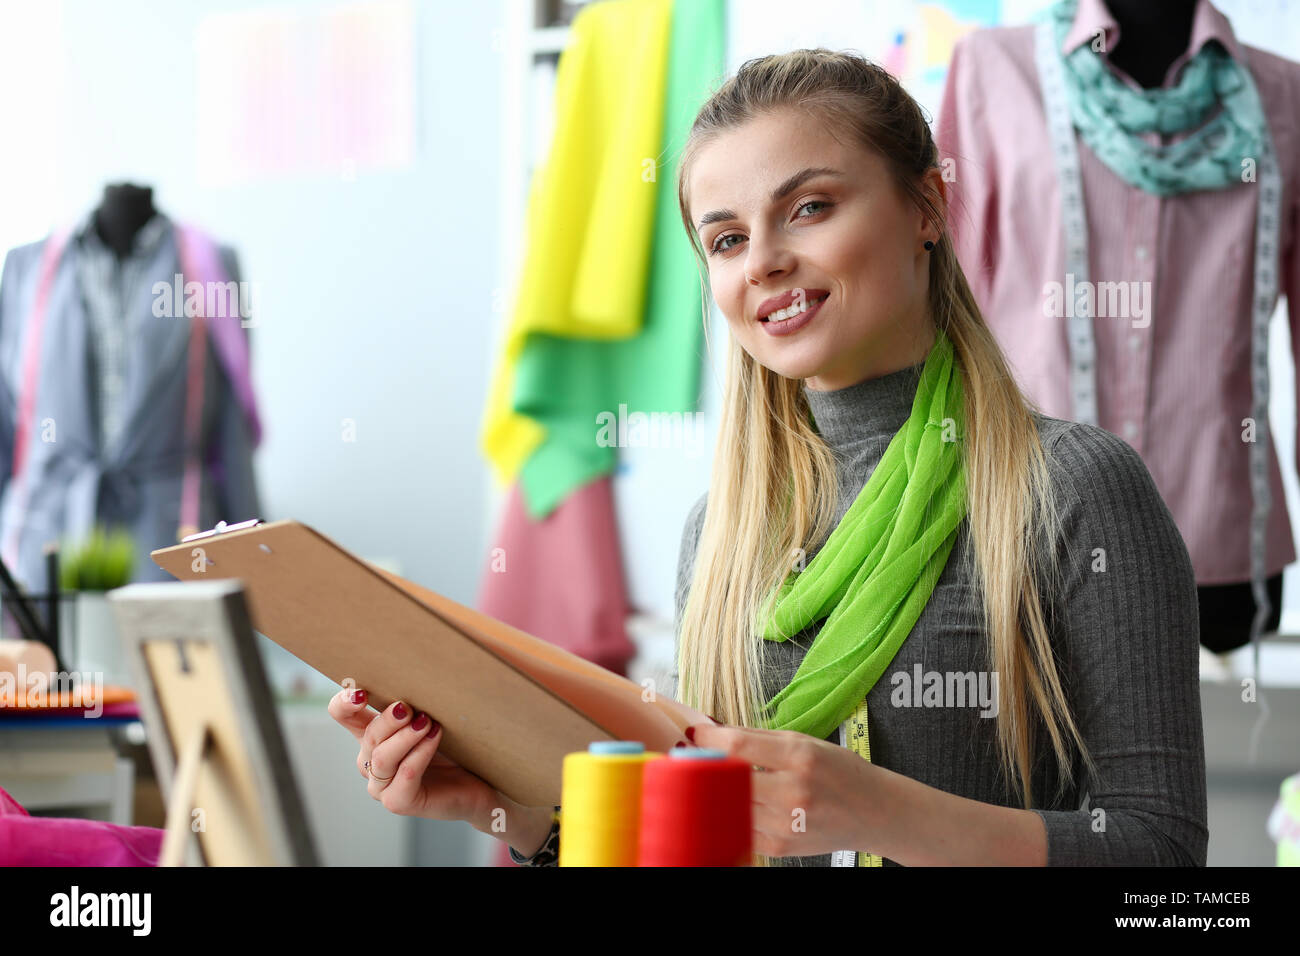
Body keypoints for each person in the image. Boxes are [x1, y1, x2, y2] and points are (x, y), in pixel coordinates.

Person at [327, 48, 1207, 867]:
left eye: (810, 208)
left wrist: (883, 813)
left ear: (927, 209)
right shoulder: (719, 535)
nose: (766, 263)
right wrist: (513, 815)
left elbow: (1170, 867)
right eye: (727, 239)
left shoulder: (1074, 489)